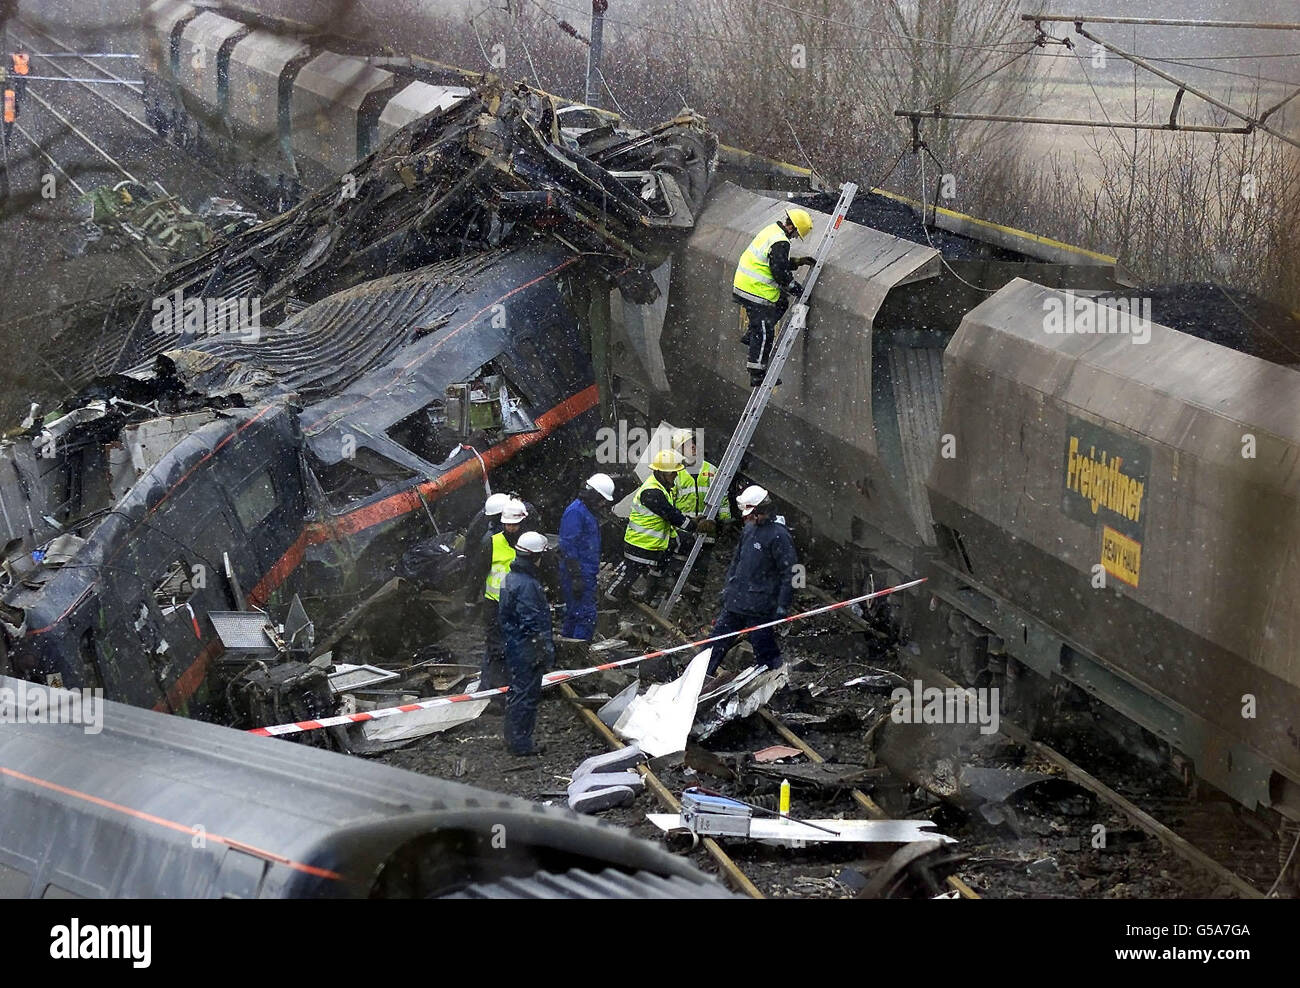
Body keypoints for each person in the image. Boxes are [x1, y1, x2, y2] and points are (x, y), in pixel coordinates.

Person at [705, 485, 797, 676]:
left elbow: (794, 573)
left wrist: (783, 605)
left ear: (762, 511)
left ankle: (778, 685)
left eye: (750, 514)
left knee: (764, 648)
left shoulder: (779, 536)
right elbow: (736, 562)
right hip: (737, 602)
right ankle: (698, 679)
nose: (746, 518)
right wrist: (728, 589)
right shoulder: (749, 530)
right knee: (714, 644)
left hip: (760, 607)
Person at [605, 449, 713, 604]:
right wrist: (693, 525)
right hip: (641, 545)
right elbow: (671, 514)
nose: (675, 476)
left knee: (658, 565)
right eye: (673, 473)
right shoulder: (652, 492)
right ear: (661, 472)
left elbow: (671, 513)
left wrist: (691, 521)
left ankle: (650, 593)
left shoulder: (660, 488)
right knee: (626, 578)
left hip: (651, 545)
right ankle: (608, 606)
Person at [732, 209, 815, 387]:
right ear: (791, 227)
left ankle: (750, 335)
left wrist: (797, 262)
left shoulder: (772, 231)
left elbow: (775, 262)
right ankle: (757, 374)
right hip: (755, 290)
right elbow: (778, 271)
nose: (794, 237)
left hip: (746, 284)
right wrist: (794, 287)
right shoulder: (781, 241)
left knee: (781, 303)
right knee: (764, 331)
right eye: (796, 234)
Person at [497, 530, 555, 756]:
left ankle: (513, 737)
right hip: (526, 649)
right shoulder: (528, 585)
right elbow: (532, 623)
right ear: (535, 557)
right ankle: (520, 744)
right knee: (526, 696)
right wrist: (544, 652)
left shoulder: (512, 578)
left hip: (515, 644)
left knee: (517, 693)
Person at [465, 497, 529, 696]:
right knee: (496, 649)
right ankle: (495, 691)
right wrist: (470, 599)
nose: (511, 528)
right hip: (495, 605)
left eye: (514, 525)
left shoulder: (528, 543)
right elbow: (477, 573)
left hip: (519, 605)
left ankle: (510, 686)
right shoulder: (491, 543)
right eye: (508, 524)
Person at [667, 429, 731, 603]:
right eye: (687, 445)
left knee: (701, 567)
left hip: (707, 529)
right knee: (678, 563)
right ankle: (673, 596)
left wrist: (725, 520)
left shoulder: (711, 470)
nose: (693, 447)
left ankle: (693, 600)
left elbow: (723, 497)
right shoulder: (675, 473)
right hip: (683, 529)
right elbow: (669, 502)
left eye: (693, 443)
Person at [558, 472, 614, 641]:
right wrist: (576, 575)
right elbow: (568, 545)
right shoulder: (576, 512)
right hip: (578, 572)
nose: (603, 504)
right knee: (585, 616)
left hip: (582, 572)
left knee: (574, 614)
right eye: (601, 499)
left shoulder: (584, 511)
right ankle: (578, 652)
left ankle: (568, 650)